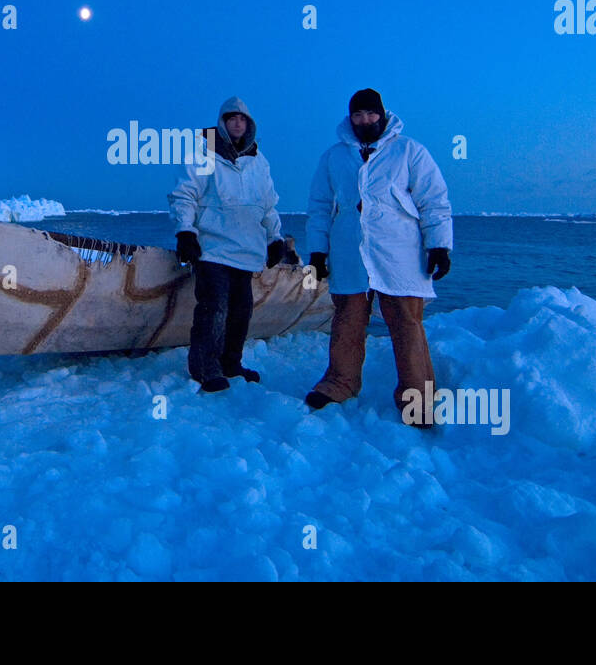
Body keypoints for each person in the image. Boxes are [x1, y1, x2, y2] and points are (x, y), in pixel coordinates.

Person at [303, 89, 452, 424]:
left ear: (382, 115)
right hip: (349, 252)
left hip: (399, 254)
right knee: (347, 321)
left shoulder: (409, 151)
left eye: (371, 114)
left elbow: (434, 200)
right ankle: (339, 382)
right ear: (350, 118)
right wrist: (317, 252)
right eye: (358, 115)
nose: (364, 120)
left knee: (406, 323)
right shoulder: (334, 156)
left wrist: (439, 245)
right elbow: (319, 207)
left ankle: (418, 399)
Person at [168, 97, 287, 392]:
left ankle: (231, 363)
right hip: (213, 249)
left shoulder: (259, 161)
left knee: (241, 311)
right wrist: (186, 231)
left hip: (246, 251)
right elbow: (185, 195)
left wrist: (275, 238)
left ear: (249, 124)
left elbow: (269, 205)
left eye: (242, 119)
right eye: (231, 118)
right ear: (222, 122)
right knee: (214, 309)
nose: (237, 122)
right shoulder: (203, 152)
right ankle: (205, 367)